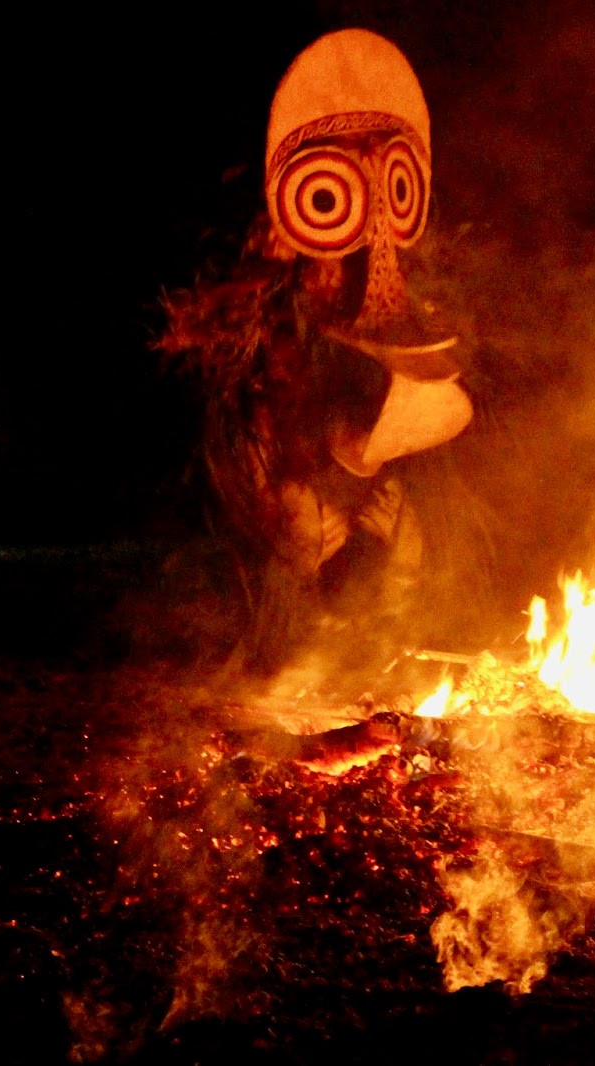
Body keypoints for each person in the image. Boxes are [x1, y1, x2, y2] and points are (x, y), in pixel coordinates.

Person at [160, 29, 481, 673]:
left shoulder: (392, 338)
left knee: (395, 560)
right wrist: (284, 543)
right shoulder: (256, 359)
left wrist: (408, 557)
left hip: (361, 590)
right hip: (275, 553)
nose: (364, 247)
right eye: (334, 196)